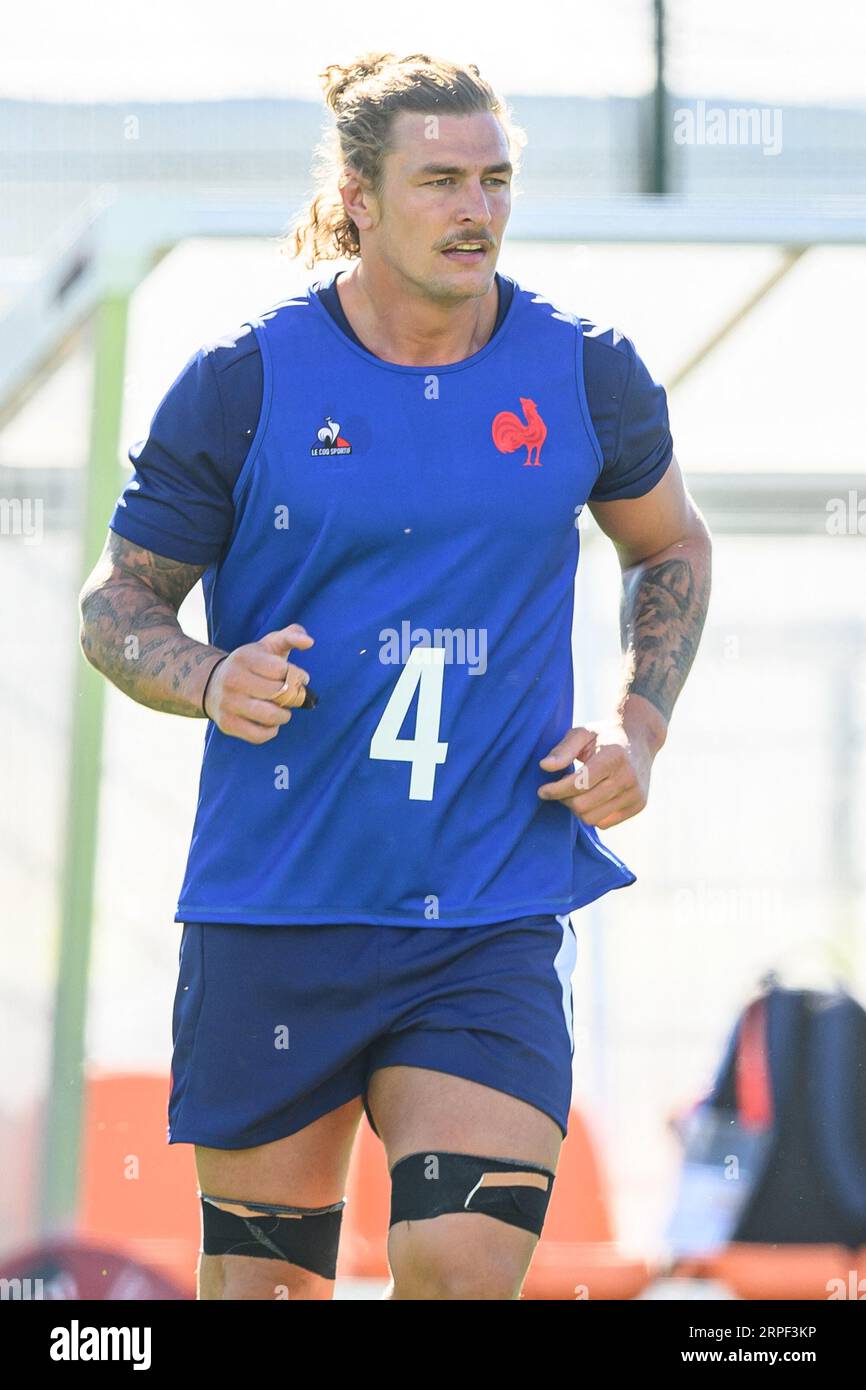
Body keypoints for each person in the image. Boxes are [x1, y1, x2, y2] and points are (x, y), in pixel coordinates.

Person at [79, 51, 712, 1301]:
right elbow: (116, 605)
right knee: (266, 1291)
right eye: (438, 180)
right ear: (358, 195)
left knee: (458, 1266)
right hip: (276, 910)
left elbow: (669, 544)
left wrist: (638, 723)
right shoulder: (243, 383)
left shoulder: (585, 372)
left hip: (485, 908)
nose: (474, 207)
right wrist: (208, 675)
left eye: (493, 179)